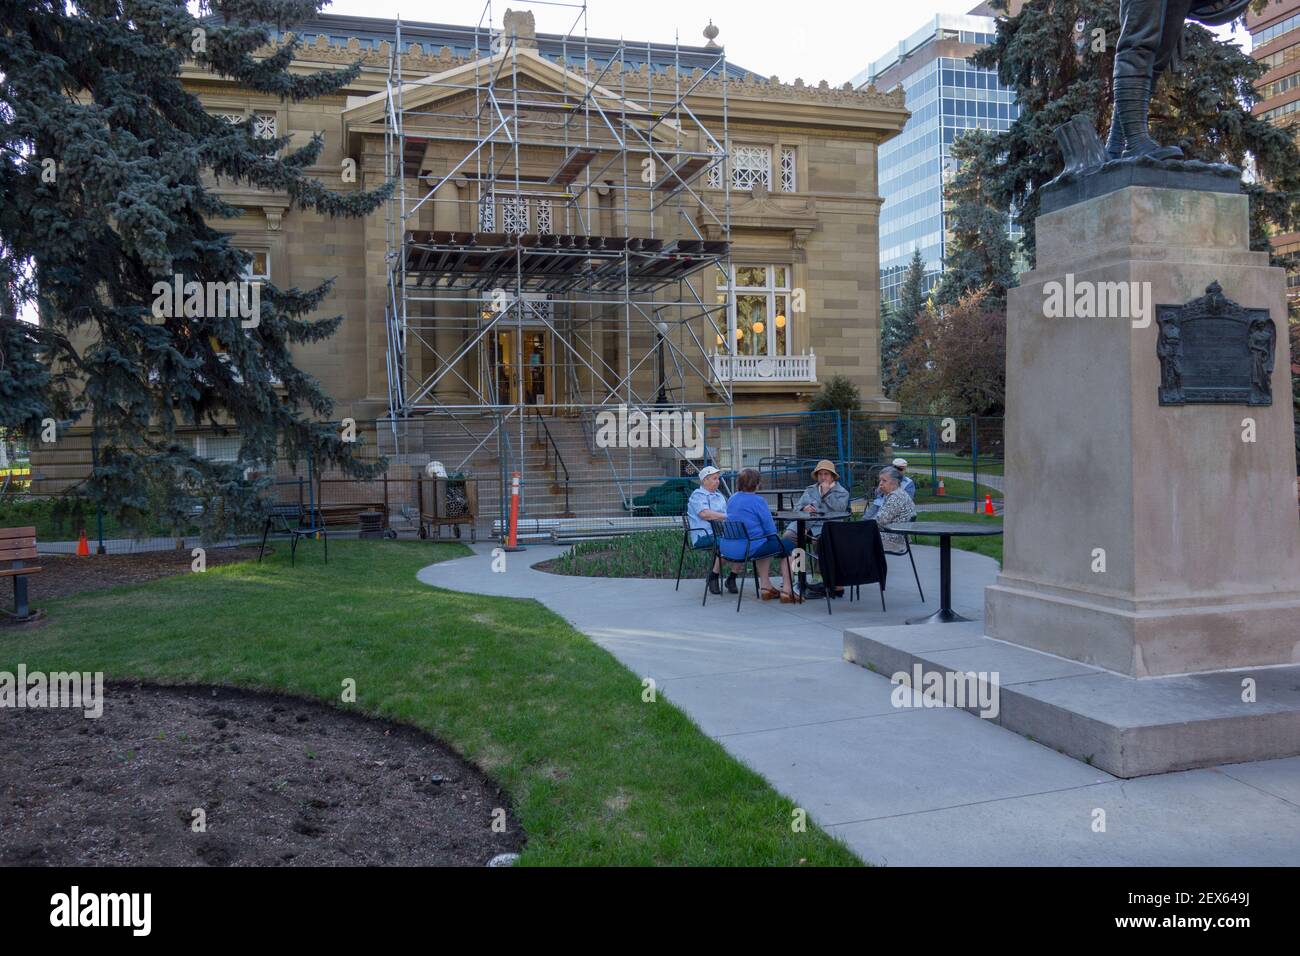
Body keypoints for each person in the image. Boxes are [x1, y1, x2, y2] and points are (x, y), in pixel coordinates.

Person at [720, 468, 800, 604]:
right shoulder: (758, 501)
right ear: (757, 483)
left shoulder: (732, 498)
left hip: (728, 547)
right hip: (748, 548)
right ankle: (788, 591)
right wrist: (778, 543)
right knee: (790, 547)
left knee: (766, 546)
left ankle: (766, 588)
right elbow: (770, 529)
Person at [686, 465, 738, 595]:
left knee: (743, 541)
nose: (718, 481)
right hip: (703, 535)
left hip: (722, 533)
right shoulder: (697, 495)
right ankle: (714, 576)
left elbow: (727, 513)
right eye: (714, 478)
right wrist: (727, 517)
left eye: (718, 478)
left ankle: (732, 577)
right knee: (729, 543)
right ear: (705, 481)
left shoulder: (719, 496)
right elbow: (704, 514)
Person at [782, 460, 850, 545]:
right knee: (788, 536)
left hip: (826, 526)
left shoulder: (842, 492)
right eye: (820, 474)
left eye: (826, 474)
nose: (823, 477)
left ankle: (819, 556)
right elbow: (796, 508)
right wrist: (804, 509)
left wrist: (827, 493)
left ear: (832, 477)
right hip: (804, 523)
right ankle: (796, 558)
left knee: (821, 542)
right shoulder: (810, 489)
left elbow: (840, 510)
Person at [873, 466, 917, 554]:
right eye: (880, 480)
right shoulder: (899, 493)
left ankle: (869, 567)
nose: (880, 484)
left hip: (893, 539)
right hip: (896, 535)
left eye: (884, 481)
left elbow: (879, 521)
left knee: (857, 539)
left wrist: (862, 527)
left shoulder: (896, 497)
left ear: (894, 483)